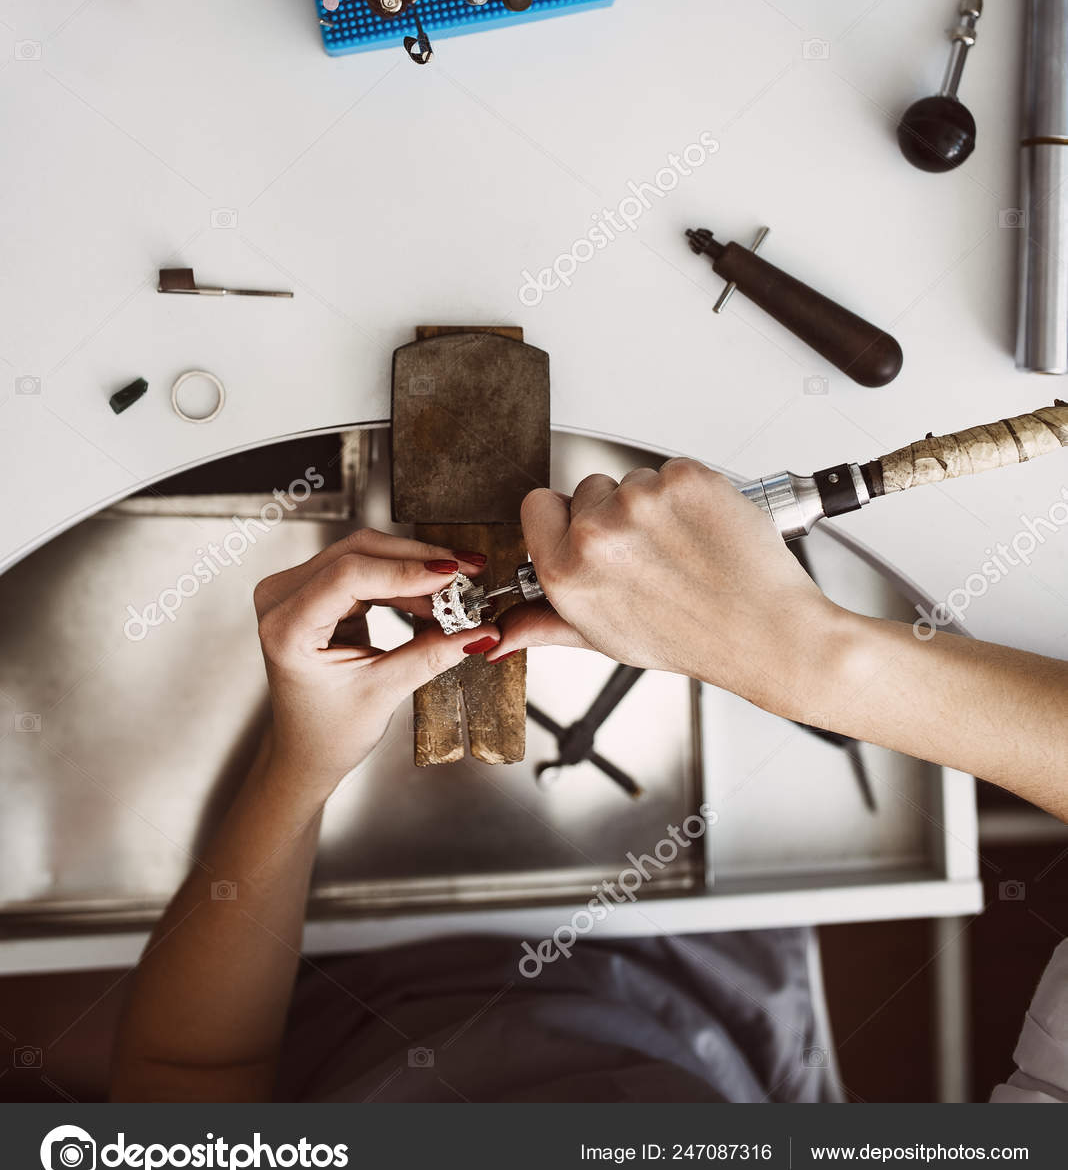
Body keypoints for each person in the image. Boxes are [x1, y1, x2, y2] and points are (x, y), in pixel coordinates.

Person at [108, 462, 1068, 1105]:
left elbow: (185, 1077)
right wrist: (806, 654)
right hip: (718, 981)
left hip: (343, 997)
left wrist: (301, 767)